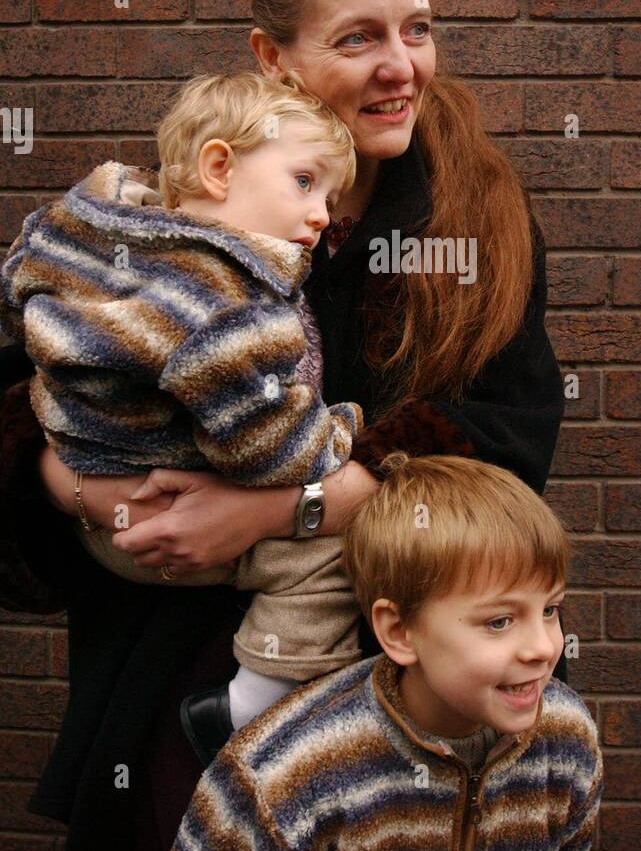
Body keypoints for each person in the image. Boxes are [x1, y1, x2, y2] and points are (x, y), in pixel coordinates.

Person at [0, 0, 567, 851]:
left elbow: (512, 437)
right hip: (178, 671)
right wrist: (80, 484)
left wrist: (283, 506)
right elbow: (30, 375)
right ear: (272, 56)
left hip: (408, 675)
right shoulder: (184, 200)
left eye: (418, 29)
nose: (402, 65)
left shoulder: (480, 217)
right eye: (359, 38)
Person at [0, 70, 374, 763]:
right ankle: (246, 708)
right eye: (304, 182)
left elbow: (21, 284)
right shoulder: (225, 303)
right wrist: (342, 433)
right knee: (334, 553)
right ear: (218, 167)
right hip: (165, 520)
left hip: (99, 498)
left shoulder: (102, 232)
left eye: (329, 196)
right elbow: (263, 451)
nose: (322, 213)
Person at [157, 452, 602, 851]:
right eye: (499, 621)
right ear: (399, 631)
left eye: (549, 610)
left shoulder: (565, 738)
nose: (545, 647)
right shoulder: (285, 778)